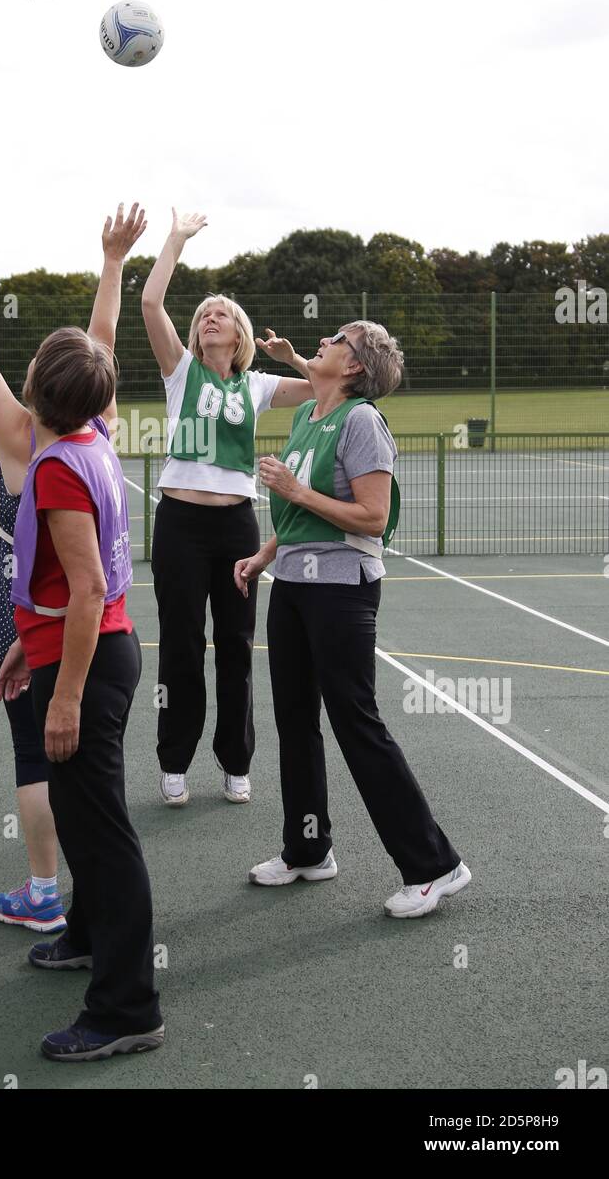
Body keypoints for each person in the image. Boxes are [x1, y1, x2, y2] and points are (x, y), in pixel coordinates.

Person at [0, 202, 146, 933]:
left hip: (38, 605)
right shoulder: (98, 432)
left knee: (35, 751)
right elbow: (104, 342)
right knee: (81, 771)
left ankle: (42, 892)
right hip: (99, 622)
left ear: (40, 386)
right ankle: (78, 911)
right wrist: (113, 263)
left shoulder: (28, 444)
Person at [235, 322, 471, 918]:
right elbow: (296, 519)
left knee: (355, 723)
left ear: (356, 366)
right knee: (294, 719)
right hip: (293, 585)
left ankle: (434, 865)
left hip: (341, 591)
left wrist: (296, 489)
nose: (325, 339)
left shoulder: (361, 421)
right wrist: (265, 555)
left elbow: (372, 516)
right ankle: (308, 848)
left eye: (338, 337)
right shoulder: (308, 417)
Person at [0, 325, 163, 1062]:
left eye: (34, 360)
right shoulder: (91, 436)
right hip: (87, 652)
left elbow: (89, 589)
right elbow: (69, 591)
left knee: (101, 834)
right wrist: (20, 649)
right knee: (84, 810)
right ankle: (89, 936)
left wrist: (62, 697)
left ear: (44, 389)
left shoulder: (61, 466)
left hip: (88, 663)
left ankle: (127, 1008)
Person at [141, 208, 318, 807]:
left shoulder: (258, 385)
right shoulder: (181, 369)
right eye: (203, 316)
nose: (210, 318)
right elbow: (149, 304)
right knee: (182, 644)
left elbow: (324, 385)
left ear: (239, 334)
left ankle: (236, 762)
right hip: (181, 525)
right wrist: (175, 239)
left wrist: (293, 357)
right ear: (195, 336)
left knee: (237, 647)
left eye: (221, 314)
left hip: (237, 524)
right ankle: (174, 760)